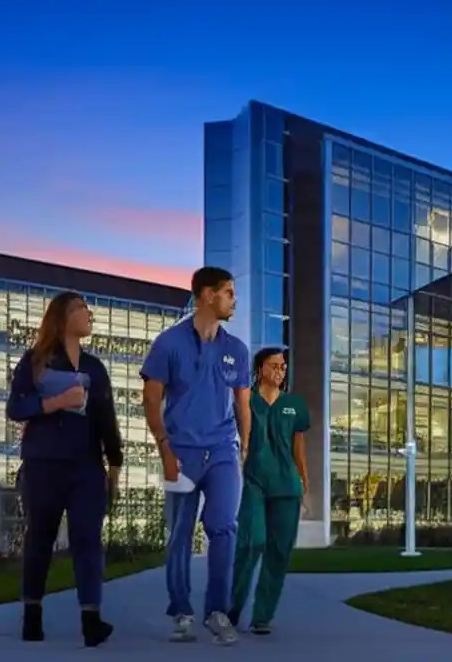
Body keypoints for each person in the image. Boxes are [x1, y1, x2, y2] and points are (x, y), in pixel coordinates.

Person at [141, 266, 252, 645]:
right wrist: (163, 447)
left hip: (223, 450)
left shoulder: (236, 350)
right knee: (179, 535)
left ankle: (218, 612)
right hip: (181, 451)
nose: (234, 299)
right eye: (229, 292)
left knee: (223, 527)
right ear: (207, 294)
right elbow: (151, 398)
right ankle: (181, 611)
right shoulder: (168, 343)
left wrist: (244, 448)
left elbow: (243, 404)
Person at [6, 291, 122, 647]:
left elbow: (106, 418)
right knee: (39, 538)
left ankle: (92, 621)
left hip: (86, 468)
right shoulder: (36, 361)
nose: (88, 313)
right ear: (62, 318)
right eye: (80, 308)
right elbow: (16, 407)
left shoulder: (94, 368)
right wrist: (59, 401)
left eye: (89, 307)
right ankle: (32, 617)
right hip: (43, 465)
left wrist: (114, 464)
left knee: (88, 540)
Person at [229, 347, 309, 634]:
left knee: (279, 551)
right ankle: (233, 608)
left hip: (287, 485)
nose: (280, 371)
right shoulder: (246, 399)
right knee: (252, 541)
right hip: (255, 481)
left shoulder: (295, 404)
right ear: (260, 368)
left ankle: (262, 616)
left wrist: (305, 483)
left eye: (283, 367)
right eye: (274, 366)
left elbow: (299, 447)